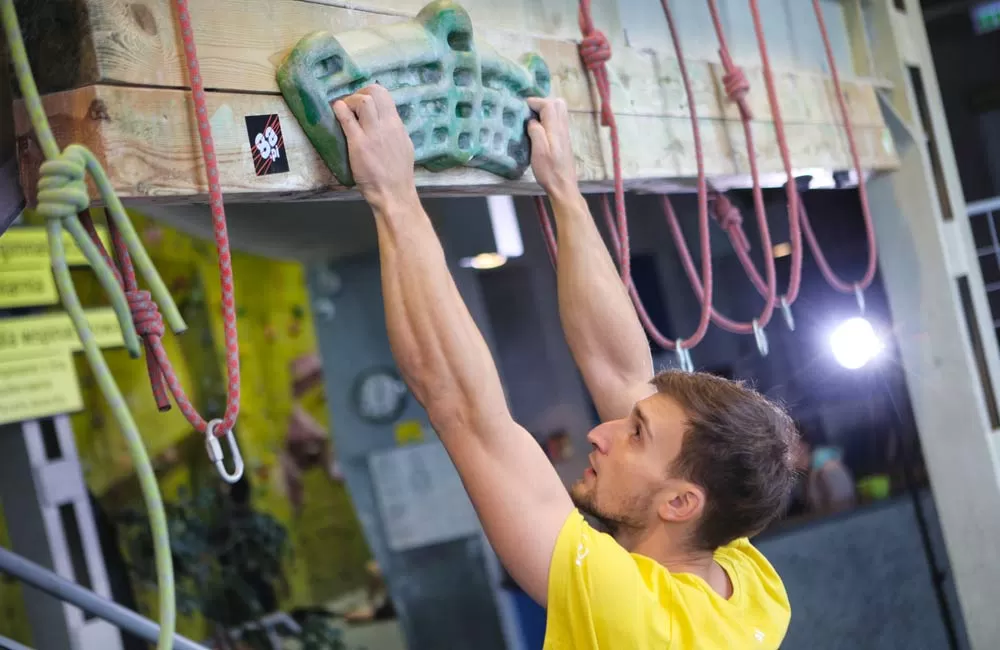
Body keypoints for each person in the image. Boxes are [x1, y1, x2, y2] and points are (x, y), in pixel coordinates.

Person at [332, 85, 799, 649]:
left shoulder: (633, 616)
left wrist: (393, 195)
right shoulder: (747, 582)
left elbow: (461, 409)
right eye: (631, 424)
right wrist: (563, 188)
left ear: (679, 503)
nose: (600, 432)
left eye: (634, 435)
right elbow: (622, 374)